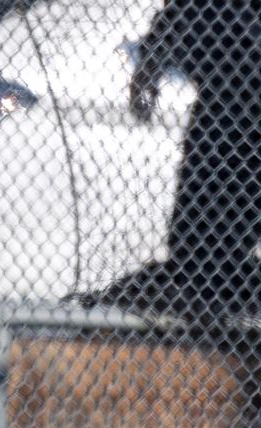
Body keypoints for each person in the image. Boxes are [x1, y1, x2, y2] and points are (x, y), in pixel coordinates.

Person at [95, 0, 261, 316]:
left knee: (223, 238)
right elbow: (175, 20)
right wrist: (147, 71)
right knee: (194, 238)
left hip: (238, 110)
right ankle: (205, 296)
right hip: (221, 110)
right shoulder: (206, 10)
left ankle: (217, 297)